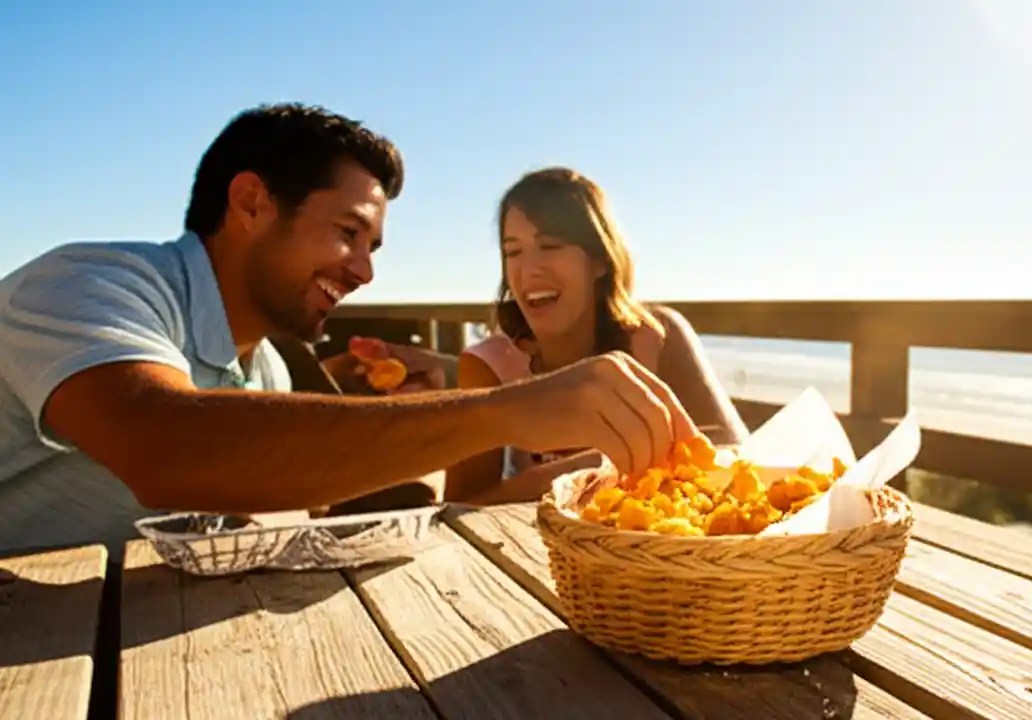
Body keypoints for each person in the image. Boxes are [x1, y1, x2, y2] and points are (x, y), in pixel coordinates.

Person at [0, 104, 700, 556]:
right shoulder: (86, 284)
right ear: (251, 203)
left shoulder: (267, 369)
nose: (364, 271)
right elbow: (165, 448)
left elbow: (258, 508)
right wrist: (505, 411)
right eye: (347, 234)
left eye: (373, 248)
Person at [445, 167, 748, 504]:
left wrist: (599, 462)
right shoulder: (487, 365)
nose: (529, 269)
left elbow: (731, 445)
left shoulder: (657, 335)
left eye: (550, 245)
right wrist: (621, 457)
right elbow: (462, 503)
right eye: (513, 252)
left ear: (601, 260)